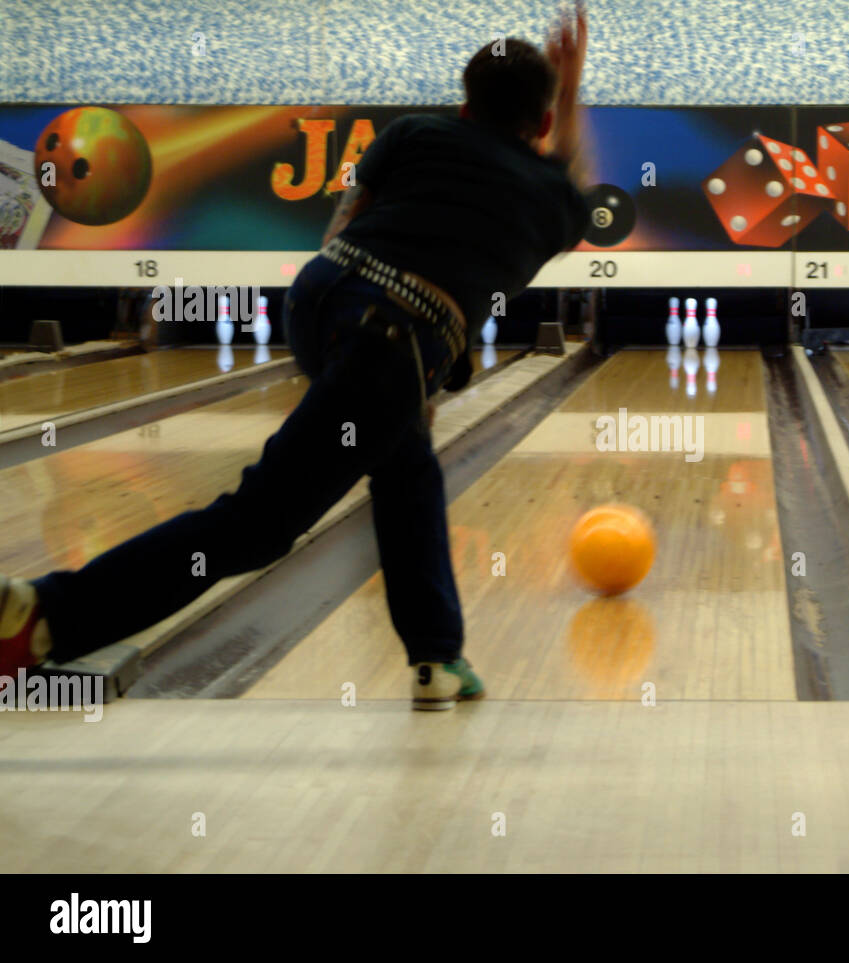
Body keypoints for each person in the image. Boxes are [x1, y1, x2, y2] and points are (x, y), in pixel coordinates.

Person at [0, 4, 590, 711]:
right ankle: (42, 619)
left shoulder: (414, 132)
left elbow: (345, 218)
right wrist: (573, 86)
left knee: (406, 465)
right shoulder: (555, 198)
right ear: (545, 122)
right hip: (396, 334)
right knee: (259, 523)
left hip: (321, 296)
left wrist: (344, 337)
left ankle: (437, 652)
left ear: (465, 105)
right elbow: (564, 171)